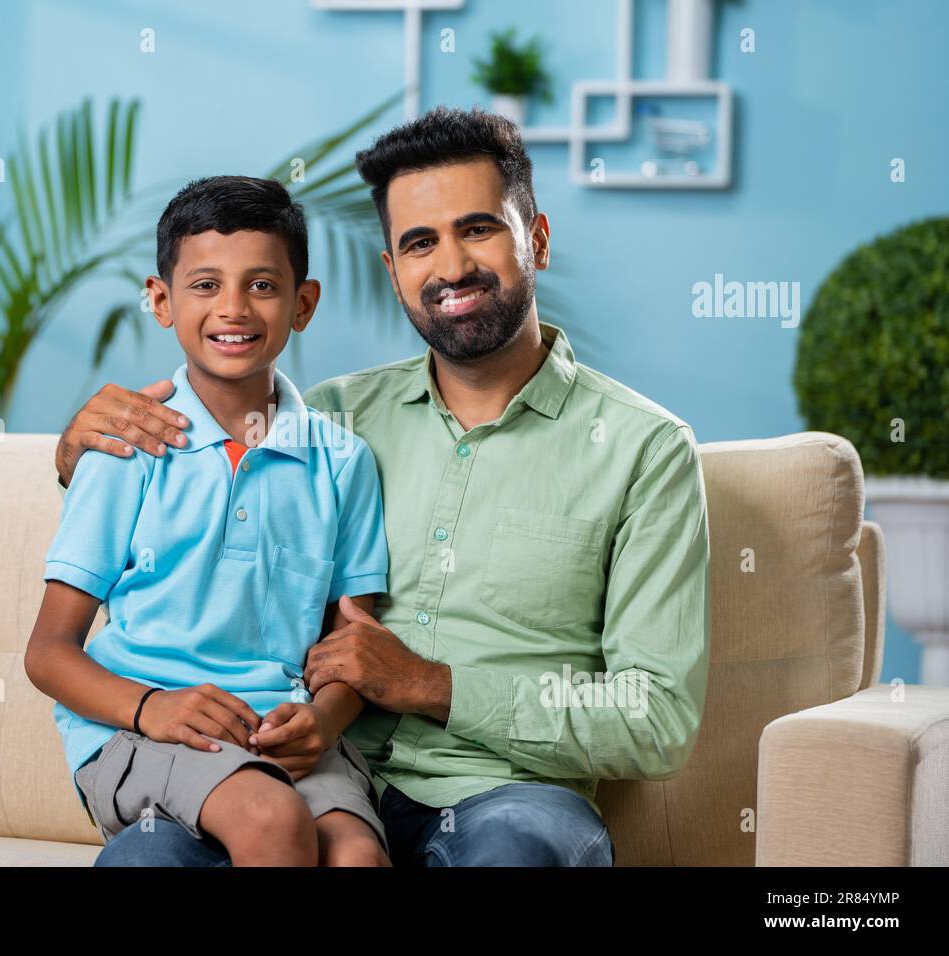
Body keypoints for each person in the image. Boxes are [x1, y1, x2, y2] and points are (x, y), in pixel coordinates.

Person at [57, 108, 711, 867]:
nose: (452, 266)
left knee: (514, 855)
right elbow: (175, 510)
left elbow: (655, 717)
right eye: (419, 243)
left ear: (535, 239)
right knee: (146, 860)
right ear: (392, 268)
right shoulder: (325, 423)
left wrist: (433, 685)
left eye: (478, 229)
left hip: (503, 795)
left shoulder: (644, 451)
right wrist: (79, 451)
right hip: (299, 775)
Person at [25, 175, 392, 866]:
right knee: (270, 818)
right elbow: (47, 652)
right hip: (145, 732)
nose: (234, 308)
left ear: (303, 303)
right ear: (160, 300)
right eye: (204, 285)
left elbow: (353, 648)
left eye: (262, 285)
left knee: (357, 857)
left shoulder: (342, 462)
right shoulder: (125, 447)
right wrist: (150, 707)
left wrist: (321, 718)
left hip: (280, 732)